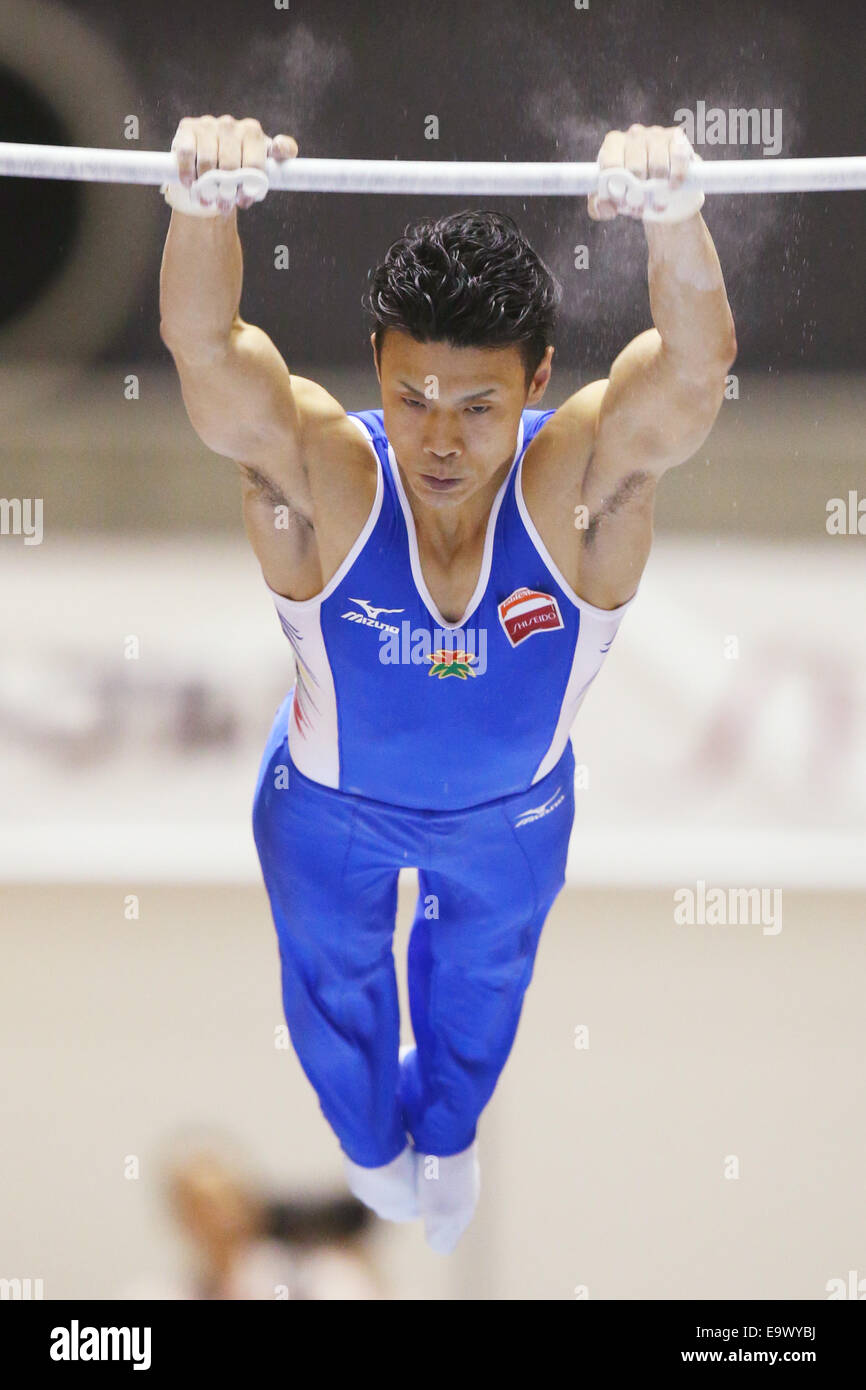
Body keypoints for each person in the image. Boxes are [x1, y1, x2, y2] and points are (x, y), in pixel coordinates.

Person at [159, 115, 736, 1253]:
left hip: (508, 823)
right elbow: (206, 345)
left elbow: (692, 368)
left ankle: (448, 1134)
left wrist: (677, 219)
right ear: (375, 360)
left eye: (478, 407)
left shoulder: (579, 483)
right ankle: (373, 1152)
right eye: (411, 395)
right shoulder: (321, 468)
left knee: (476, 1007)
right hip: (328, 814)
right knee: (340, 1010)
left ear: (536, 382)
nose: (436, 437)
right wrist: (199, 204)